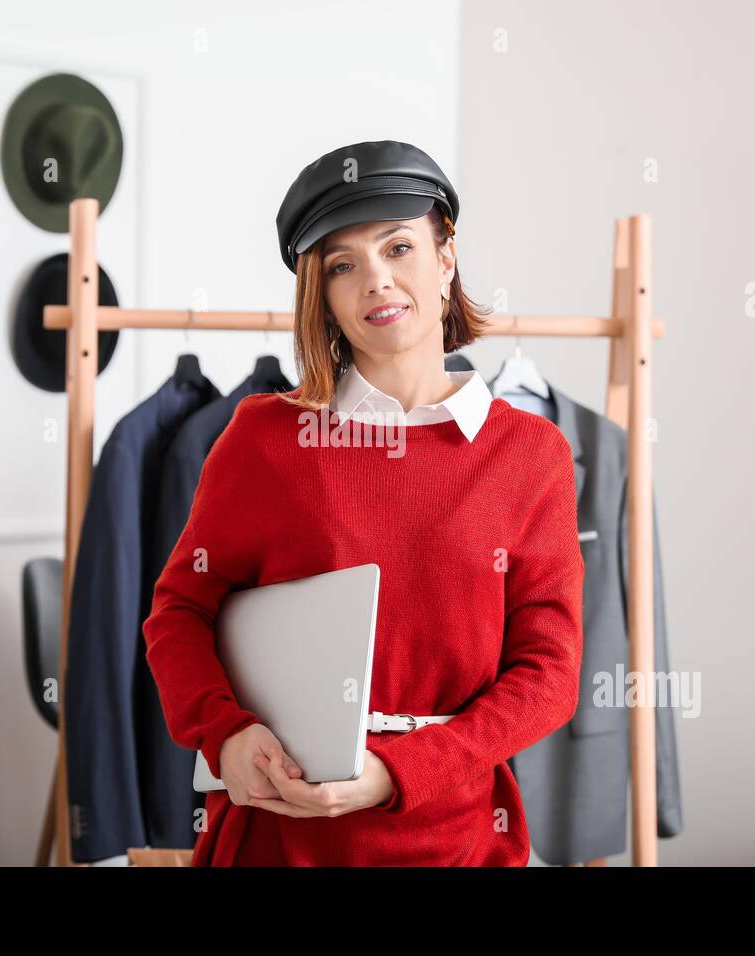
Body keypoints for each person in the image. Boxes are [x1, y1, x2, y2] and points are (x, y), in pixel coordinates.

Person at [143, 140, 584, 866]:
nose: (375, 280)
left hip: (456, 836)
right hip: (277, 835)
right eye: (342, 265)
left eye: (399, 247)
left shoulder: (530, 455)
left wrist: (401, 772)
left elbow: (549, 673)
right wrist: (223, 733)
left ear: (446, 258)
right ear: (322, 295)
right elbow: (179, 613)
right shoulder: (264, 439)